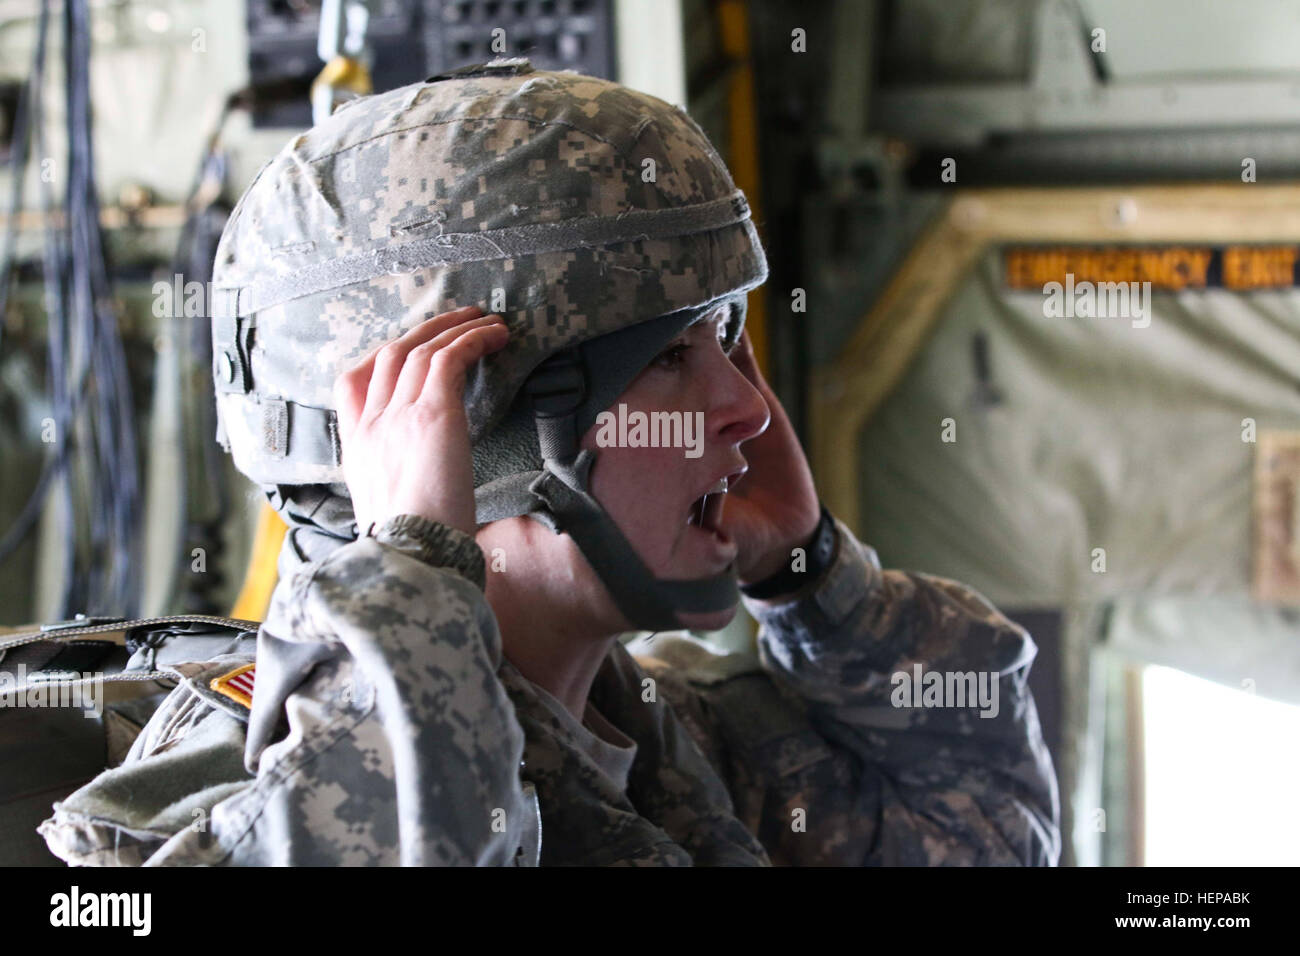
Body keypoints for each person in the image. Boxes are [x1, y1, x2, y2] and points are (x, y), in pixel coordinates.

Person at [38, 59, 1060, 866]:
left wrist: (814, 579)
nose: (749, 409)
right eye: (669, 358)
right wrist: (410, 584)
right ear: (476, 435)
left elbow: (984, 838)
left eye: (726, 342)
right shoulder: (231, 790)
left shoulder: (658, 742)